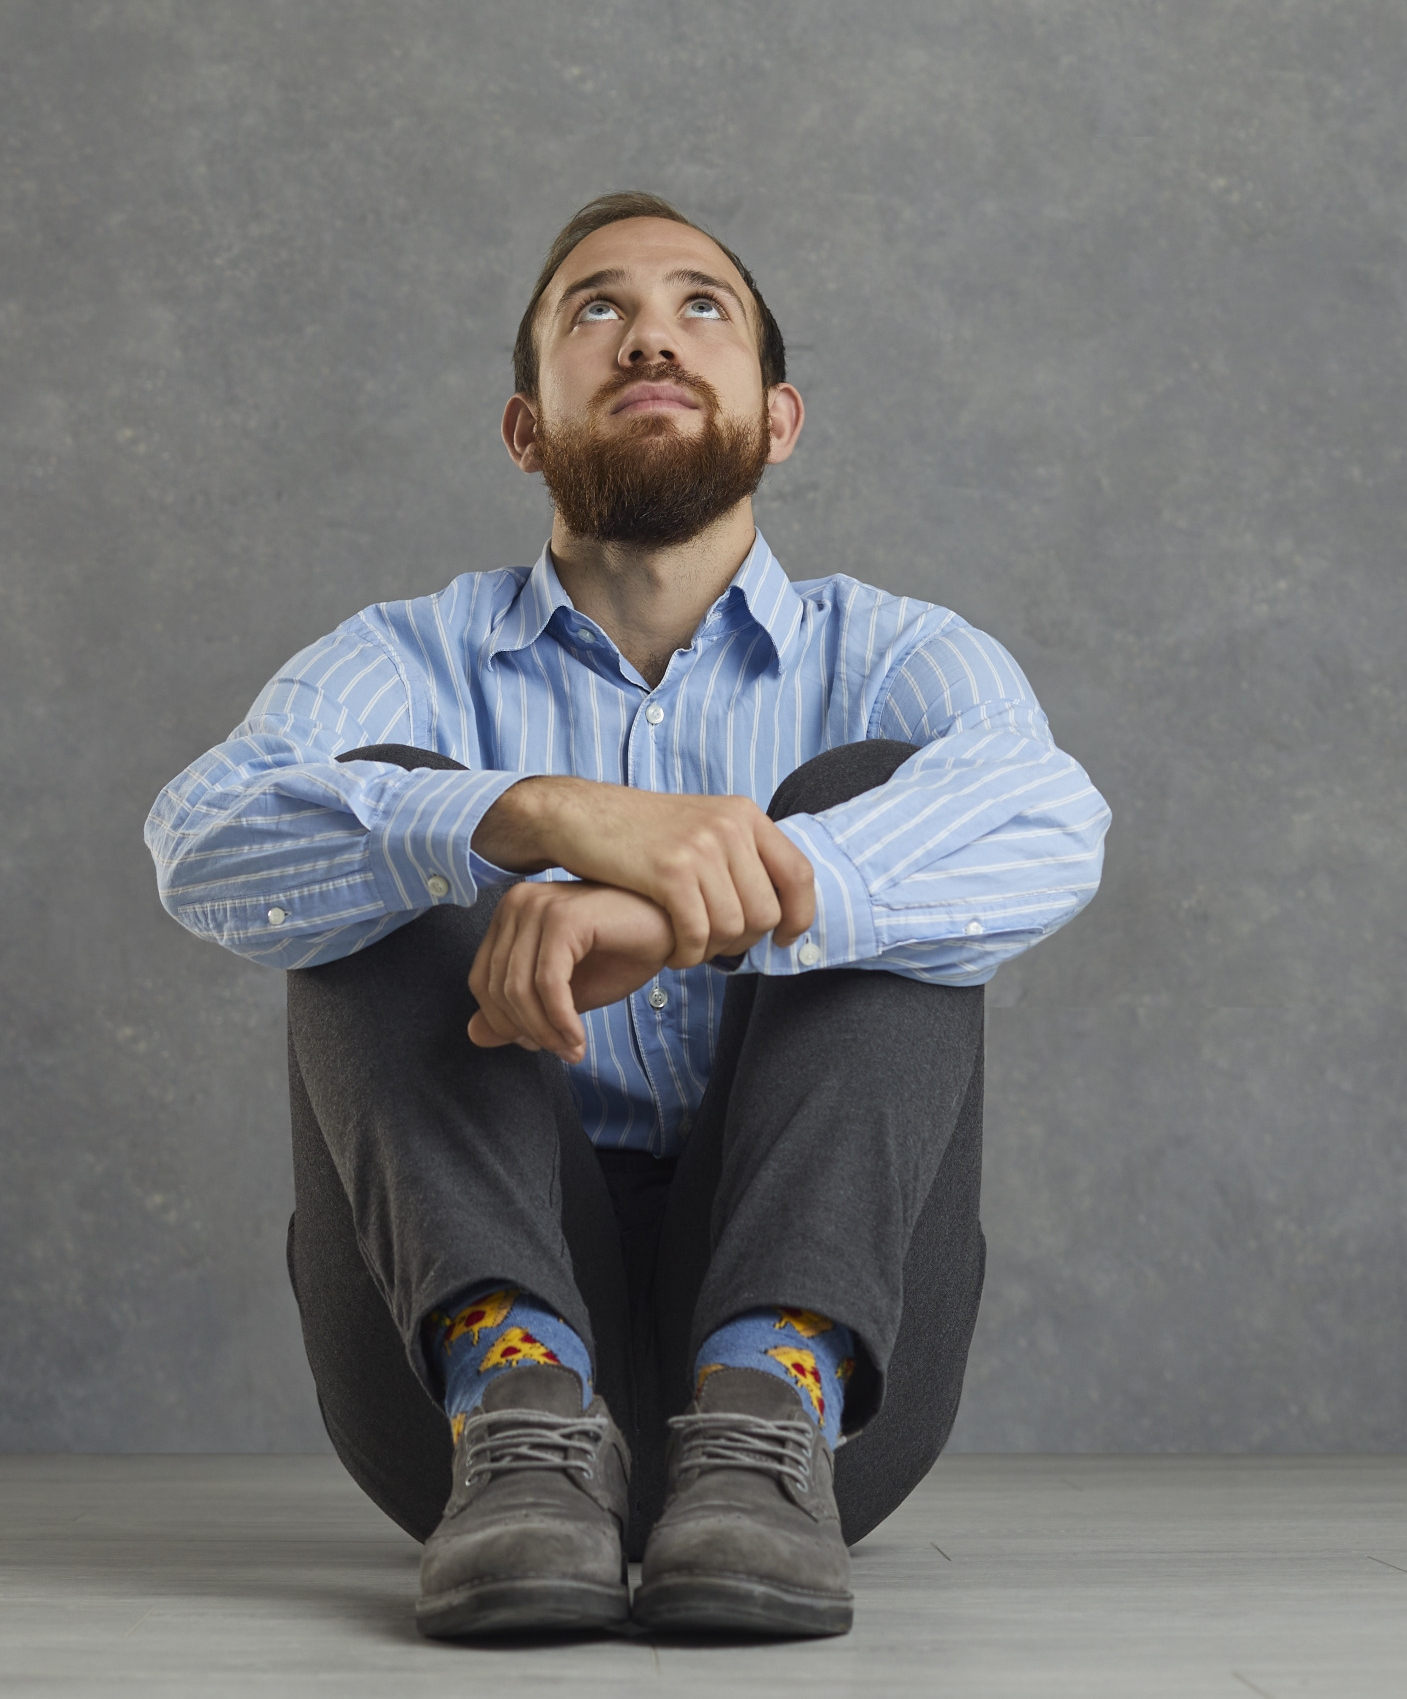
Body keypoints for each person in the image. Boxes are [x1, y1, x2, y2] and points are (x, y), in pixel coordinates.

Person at [143, 192, 1110, 1640]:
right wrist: (527, 813)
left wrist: (685, 911)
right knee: (383, 807)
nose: (651, 331)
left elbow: (1051, 821)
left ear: (778, 420)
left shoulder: (900, 653)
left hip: (830, 1420)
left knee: (884, 813)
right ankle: (517, 1388)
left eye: (699, 306)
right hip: (459, 1424)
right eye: (596, 308)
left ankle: (767, 1382)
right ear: (526, 427)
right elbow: (203, 842)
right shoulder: (402, 656)